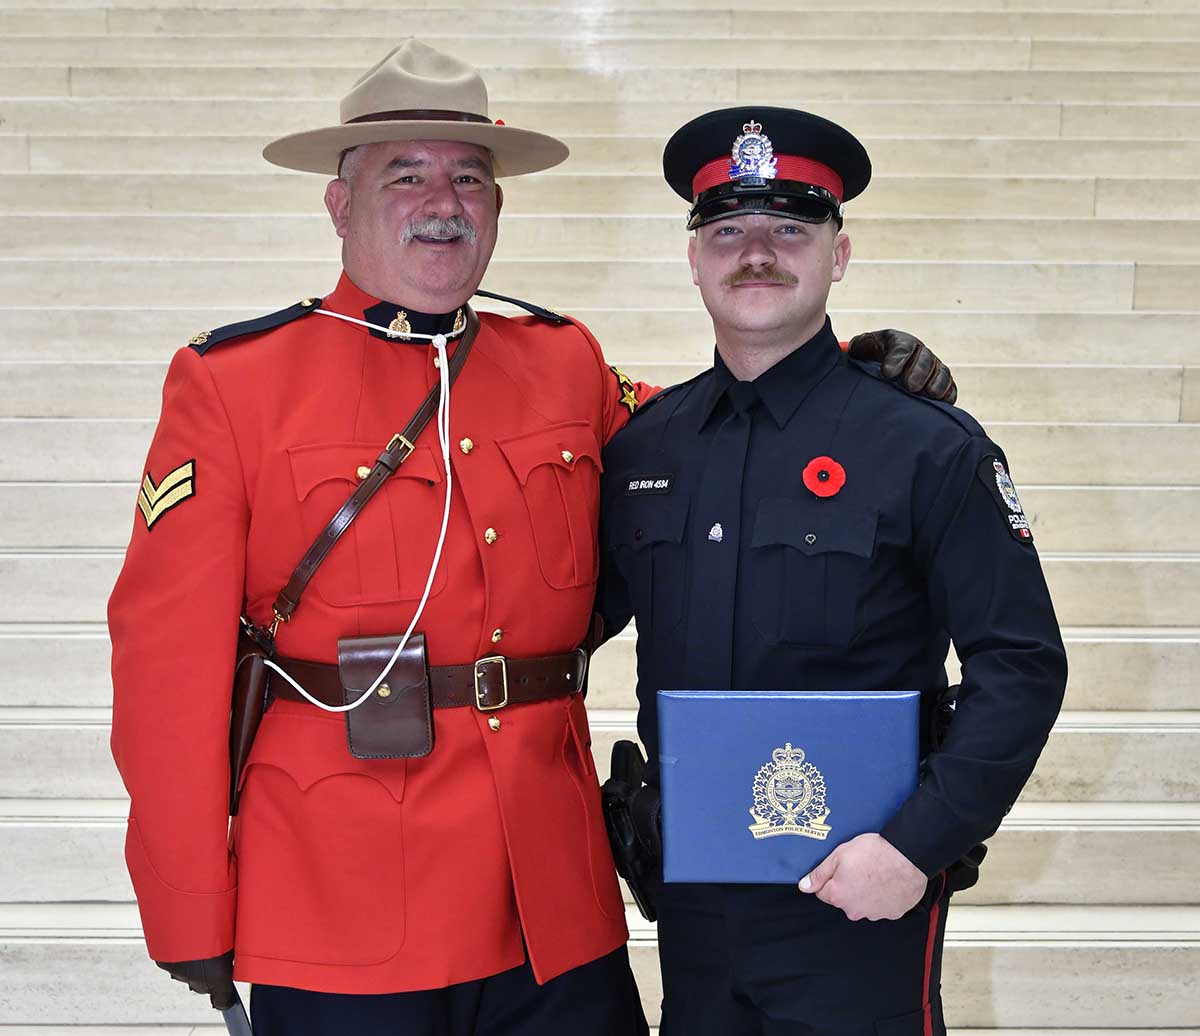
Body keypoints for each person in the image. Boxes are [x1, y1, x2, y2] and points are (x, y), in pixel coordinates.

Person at [108, 42, 955, 1036]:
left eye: (471, 176)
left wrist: (845, 379)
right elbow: (167, 678)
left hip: (548, 905)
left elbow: (710, 429)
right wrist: (189, 905)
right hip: (339, 906)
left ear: (499, 208)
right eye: (406, 174)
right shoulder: (233, 385)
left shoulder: (562, 363)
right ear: (340, 205)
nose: (445, 200)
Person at [597, 106, 1068, 1036]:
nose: (757, 253)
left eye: (789, 228)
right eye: (727, 230)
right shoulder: (648, 447)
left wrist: (916, 845)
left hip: (860, 896)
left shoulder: (923, 446)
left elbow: (1022, 666)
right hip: (694, 899)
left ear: (837, 254)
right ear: (694, 259)